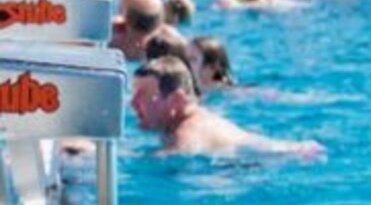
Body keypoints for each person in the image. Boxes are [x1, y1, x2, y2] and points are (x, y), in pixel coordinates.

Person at [130, 57, 320, 158]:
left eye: (142, 95)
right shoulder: (186, 120)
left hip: (288, 158)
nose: (133, 103)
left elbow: (177, 156)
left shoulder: (188, 131)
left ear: (175, 100)